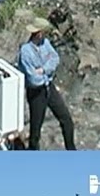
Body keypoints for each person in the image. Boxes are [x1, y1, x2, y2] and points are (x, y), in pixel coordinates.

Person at [17, 17, 77, 150]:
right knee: (35, 130)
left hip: (49, 87)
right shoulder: (25, 51)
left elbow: (55, 58)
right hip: (36, 93)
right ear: (39, 33)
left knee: (66, 119)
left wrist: (43, 70)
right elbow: (32, 78)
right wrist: (46, 74)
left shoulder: (46, 43)